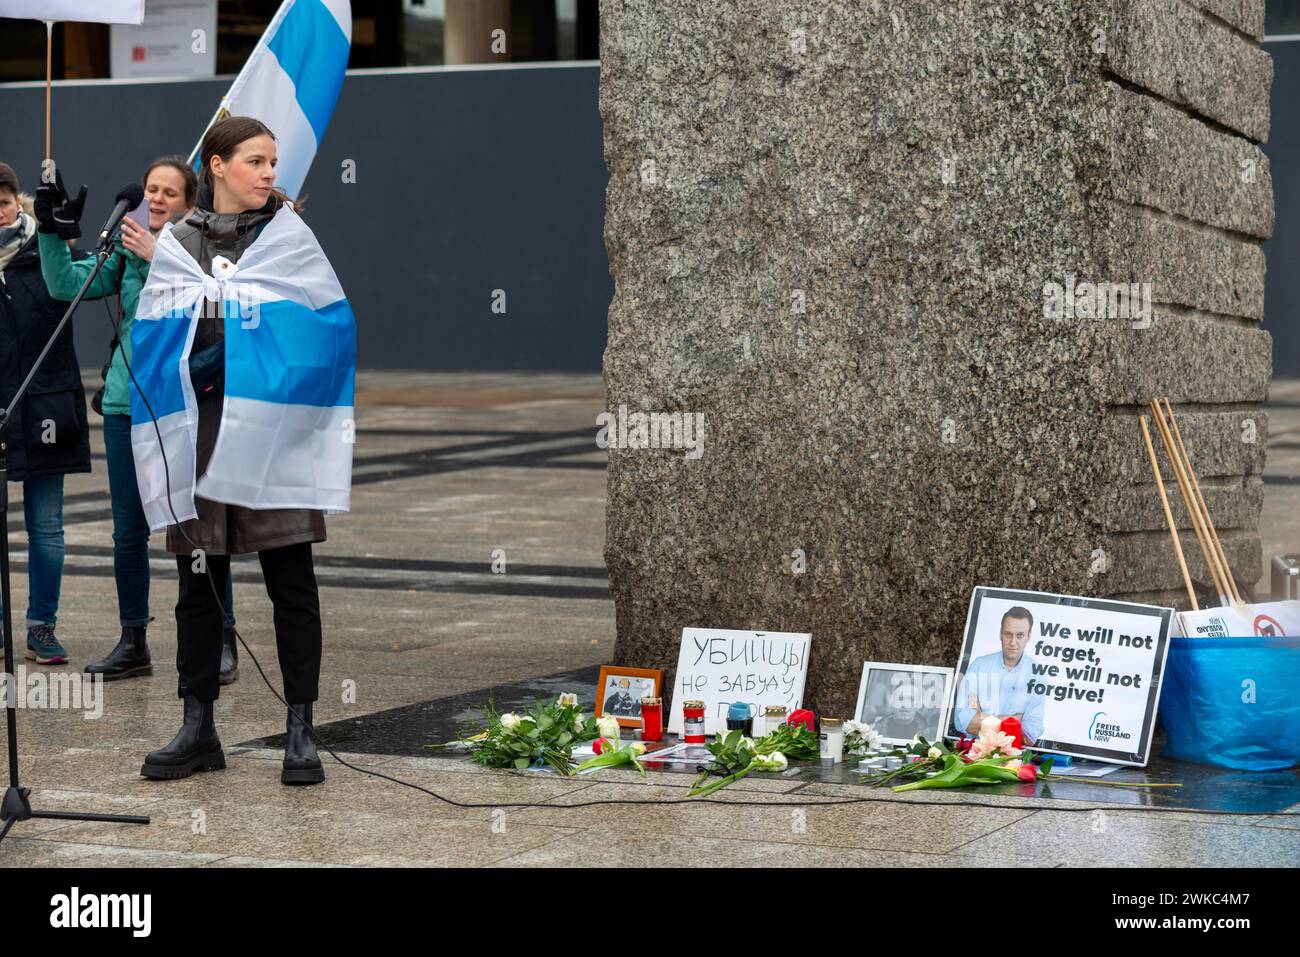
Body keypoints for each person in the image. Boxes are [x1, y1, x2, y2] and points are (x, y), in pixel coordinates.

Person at [139, 116, 330, 786]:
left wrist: (252, 359)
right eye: (256, 161)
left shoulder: (288, 239)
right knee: (196, 585)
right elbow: (154, 332)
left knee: (291, 582)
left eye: (273, 162)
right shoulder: (177, 243)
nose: (270, 173)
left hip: (272, 438)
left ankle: (300, 729)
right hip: (199, 437)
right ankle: (199, 726)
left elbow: (323, 330)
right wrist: (190, 360)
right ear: (217, 166)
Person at [37, 157, 241, 683]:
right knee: (128, 532)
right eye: (151, 189)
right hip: (127, 407)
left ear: (190, 204)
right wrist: (52, 232)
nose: (155, 198)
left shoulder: (203, 251)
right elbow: (64, 286)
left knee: (197, 528)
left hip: (182, 406)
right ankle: (134, 641)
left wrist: (161, 256)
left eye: (169, 192)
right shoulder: (126, 255)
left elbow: (213, 305)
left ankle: (220, 638)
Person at [0, 162, 91, 666]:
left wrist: (63, 233)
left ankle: (42, 627)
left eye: (4, 203)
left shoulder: (50, 250)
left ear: (17, 202)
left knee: (47, 526)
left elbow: (79, 286)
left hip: (46, 406)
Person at [953, 605, 1046, 744]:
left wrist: (982, 717)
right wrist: (1014, 719)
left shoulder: (1037, 674)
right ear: (1000, 634)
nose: (1013, 642)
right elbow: (963, 722)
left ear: (1028, 636)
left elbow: (1030, 735)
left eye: (1020, 635)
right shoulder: (979, 666)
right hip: (975, 751)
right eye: (1008, 634)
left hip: (1015, 755)